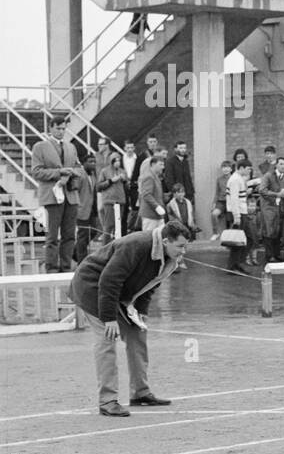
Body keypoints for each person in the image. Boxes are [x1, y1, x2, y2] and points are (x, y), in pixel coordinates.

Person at [71, 218, 194, 416]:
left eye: (186, 247)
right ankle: (108, 400)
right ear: (165, 242)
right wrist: (110, 318)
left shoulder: (169, 258)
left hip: (118, 293)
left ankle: (140, 392)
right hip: (92, 287)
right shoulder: (136, 245)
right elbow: (109, 280)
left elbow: (150, 285)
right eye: (180, 246)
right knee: (107, 338)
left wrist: (141, 312)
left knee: (137, 333)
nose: (183, 252)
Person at [31, 113, 86, 271]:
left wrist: (72, 173)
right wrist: (59, 172)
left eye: (64, 129)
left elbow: (79, 168)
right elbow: (36, 172)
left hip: (70, 196)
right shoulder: (40, 147)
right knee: (52, 236)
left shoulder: (71, 147)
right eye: (58, 128)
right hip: (51, 197)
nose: (61, 132)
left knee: (69, 235)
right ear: (50, 128)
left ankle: (66, 266)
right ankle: (51, 267)